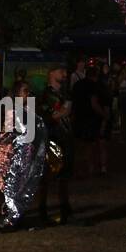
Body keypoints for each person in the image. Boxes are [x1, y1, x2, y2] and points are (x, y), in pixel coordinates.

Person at [0, 80, 47, 230]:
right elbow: (16, 135)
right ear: (17, 94)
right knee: (12, 187)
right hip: (14, 156)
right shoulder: (14, 111)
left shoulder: (28, 110)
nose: (28, 94)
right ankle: (10, 221)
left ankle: (15, 218)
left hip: (27, 156)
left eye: (29, 91)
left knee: (24, 187)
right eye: (25, 91)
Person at [37, 60, 75, 224]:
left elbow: (66, 112)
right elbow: (50, 116)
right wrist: (64, 111)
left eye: (65, 71)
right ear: (51, 73)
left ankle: (65, 210)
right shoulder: (45, 95)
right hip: (52, 138)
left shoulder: (66, 93)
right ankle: (42, 211)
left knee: (64, 176)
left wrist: (64, 112)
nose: (64, 74)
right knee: (47, 176)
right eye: (61, 71)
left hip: (66, 137)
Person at [71, 65, 108, 177]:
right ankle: (101, 168)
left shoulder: (77, 85)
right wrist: (104, 115)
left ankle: (86, 168)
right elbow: (94, 103)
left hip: (79, 117)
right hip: (92, 118)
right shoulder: (95, 86)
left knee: (83, 144)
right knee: (98, 143)